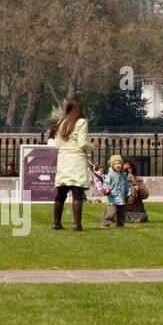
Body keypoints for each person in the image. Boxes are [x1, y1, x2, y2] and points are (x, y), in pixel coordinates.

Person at [51, 96, 93, 231]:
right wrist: (92, 146)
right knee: (77, 193)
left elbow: (57, 144)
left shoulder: (61, 122)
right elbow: (82, 143)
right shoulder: (81, 122)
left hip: (63, 159)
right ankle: (77, 224)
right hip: (76, 160)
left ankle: (56, 223)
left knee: (61, 193)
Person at [101, 155, 129, 228]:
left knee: (121, 213)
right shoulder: (110, 175)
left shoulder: (123, 175)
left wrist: (129, 193)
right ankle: (105, 223)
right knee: (111, 212)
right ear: (112, 165)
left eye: (119, 163)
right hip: (113, 197)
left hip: (121, 197)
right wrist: (106, 190)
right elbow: (106, 183)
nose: (118, 165)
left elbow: (127, 185)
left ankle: (120, 224)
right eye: (115, 164)